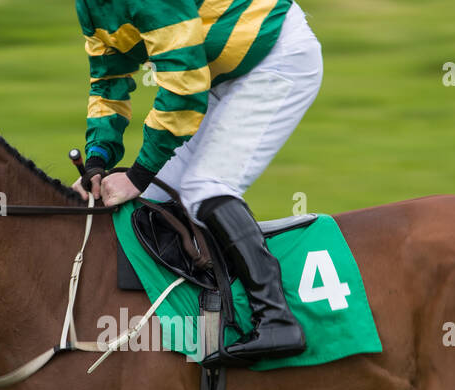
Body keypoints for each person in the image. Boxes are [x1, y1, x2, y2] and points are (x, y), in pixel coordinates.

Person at [73, 0, 323, 365]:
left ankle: (276, 319)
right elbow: (108, 79)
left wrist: (138, 175)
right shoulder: (90, 6)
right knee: (154, 198)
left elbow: (183, 87)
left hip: (275, 60)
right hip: (212, 73)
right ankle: (191, 316)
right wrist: (97, 161)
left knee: (205, 187)